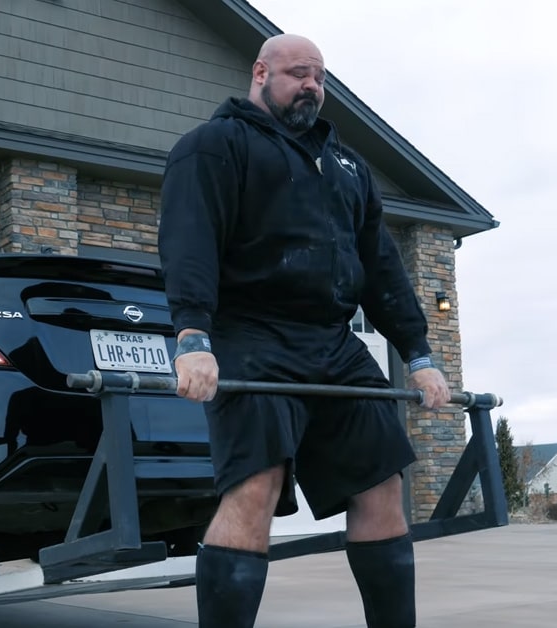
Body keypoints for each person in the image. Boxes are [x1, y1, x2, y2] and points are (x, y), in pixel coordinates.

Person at [157, 32, 452, 628]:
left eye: (319, 77)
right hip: (252, 335)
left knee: (382, 487)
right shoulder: (215, 146)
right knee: (254, 488)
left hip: (334, 344)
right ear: (260, 72)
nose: (311, 86)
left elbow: (382, 268)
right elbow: (189, 244)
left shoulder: (344, 166)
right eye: (298, 73)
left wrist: (418, 352)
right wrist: (192, 338)